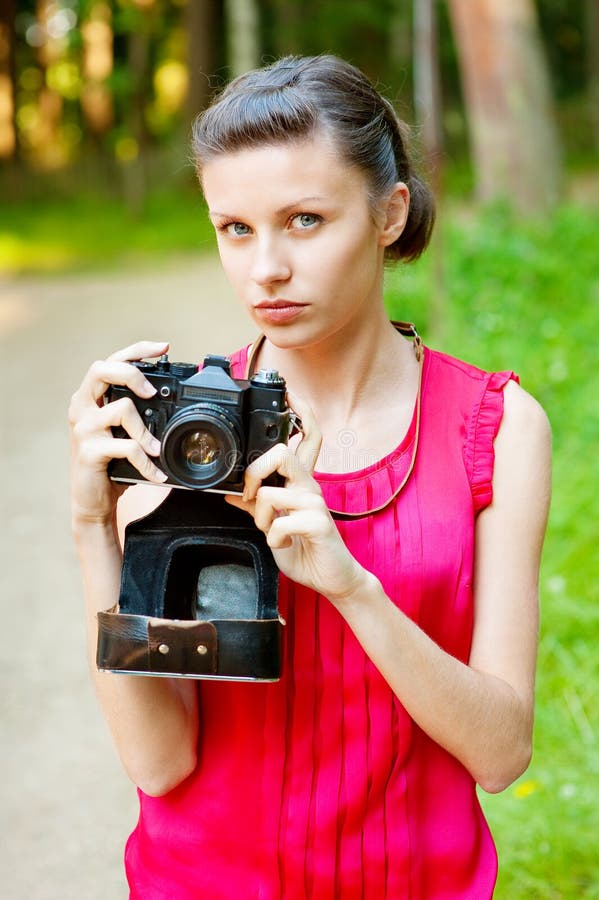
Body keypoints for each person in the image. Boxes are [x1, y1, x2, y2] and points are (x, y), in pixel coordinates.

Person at [69, 55, 551, 899]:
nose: (265, 270)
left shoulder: (494, 431)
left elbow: (502, 752)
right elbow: (160, 763)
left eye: (303, 220)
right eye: (235, 229)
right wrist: (92, 529)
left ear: (388, 213)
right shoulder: (186, 437)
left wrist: (352, 587)